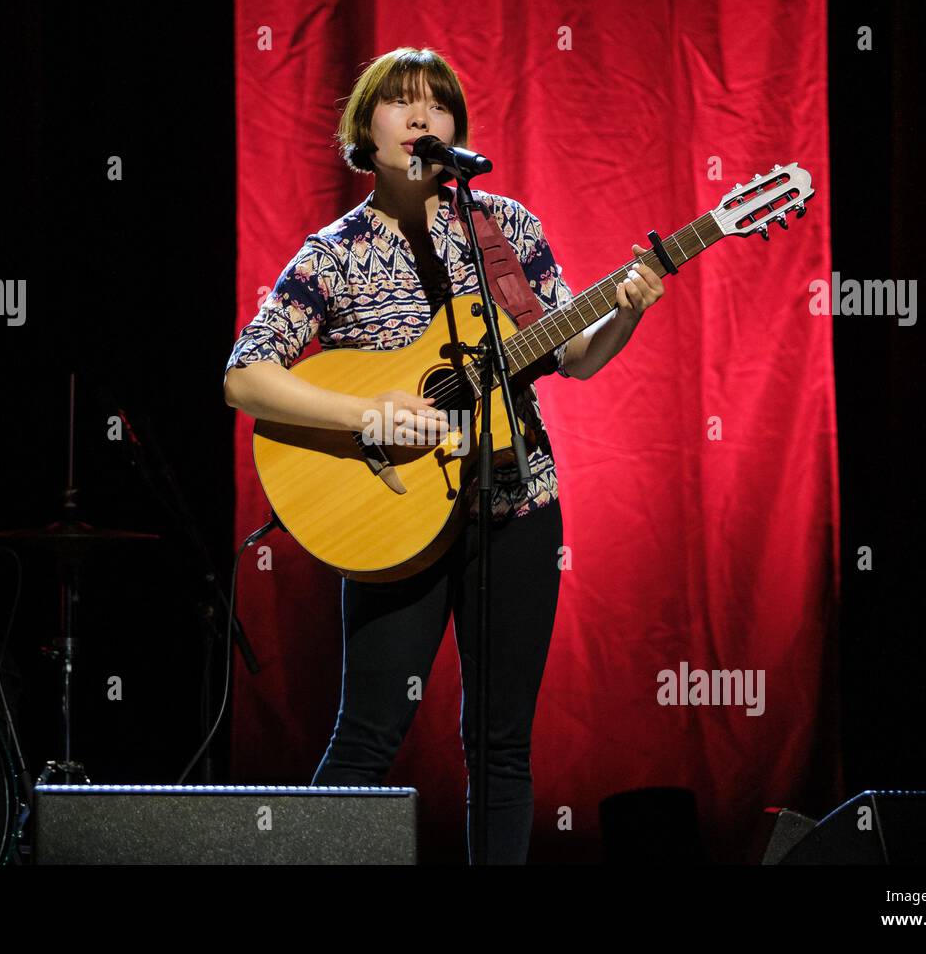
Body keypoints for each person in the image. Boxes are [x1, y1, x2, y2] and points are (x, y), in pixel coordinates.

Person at [223, 46, 664, 863]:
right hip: (392, 510)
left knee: (502, 749)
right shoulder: (334, 254)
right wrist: (372, 410)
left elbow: (572, 353)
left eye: (440, 105)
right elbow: (245, 378)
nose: (424, 118)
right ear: (367, 128)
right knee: (366, 739)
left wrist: (630, 306)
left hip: (516, 505)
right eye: (402, 103)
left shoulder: (506, 230)